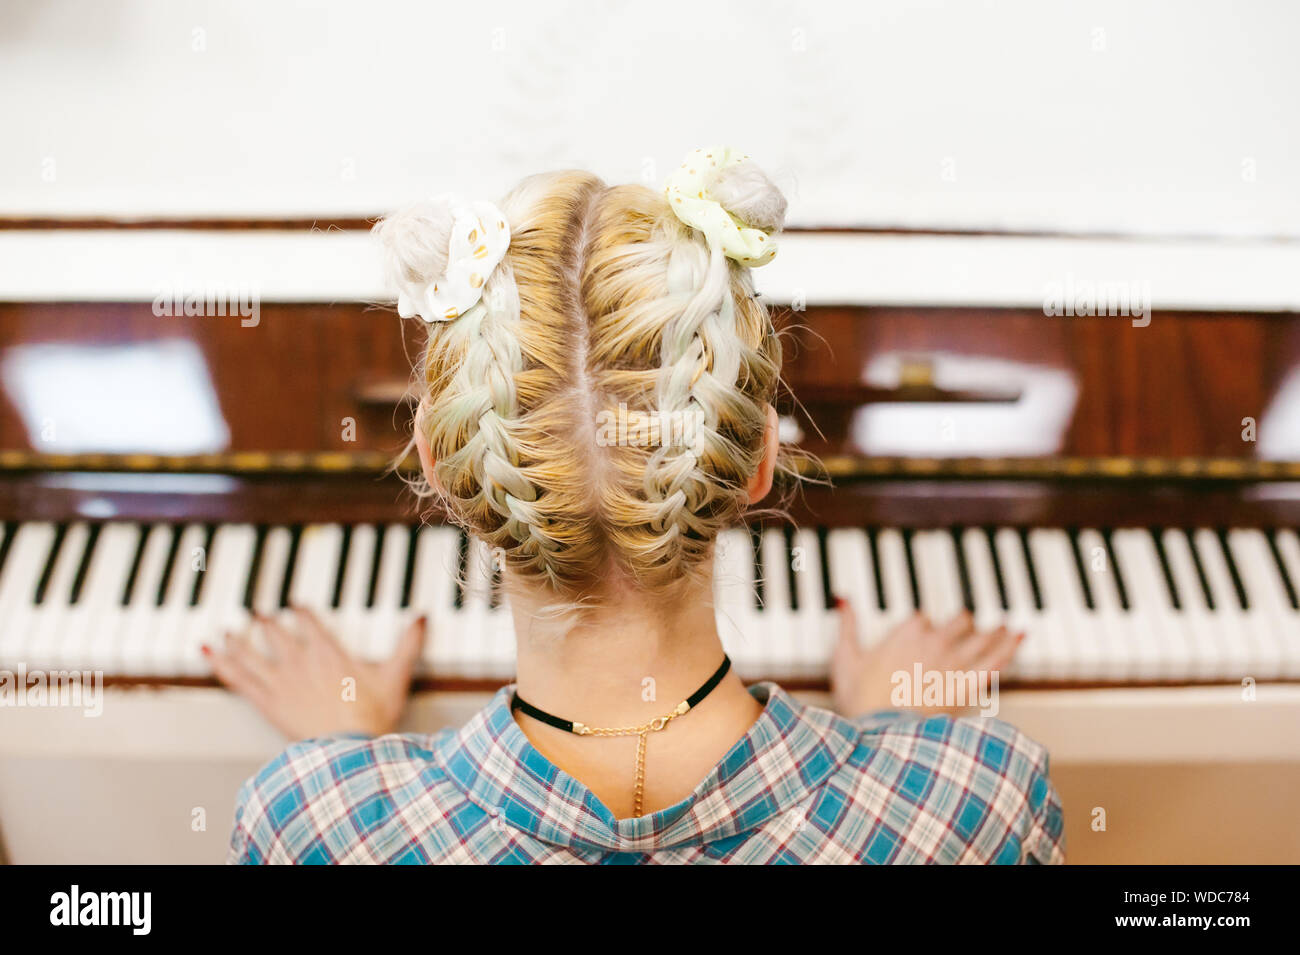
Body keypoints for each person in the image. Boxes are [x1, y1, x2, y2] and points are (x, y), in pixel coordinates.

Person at [213, 147, 1065, 864]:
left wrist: (341, 760)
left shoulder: (306, 819)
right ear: (761, 460)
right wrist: (897, 741)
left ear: (441, 463)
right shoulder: (976, 801)